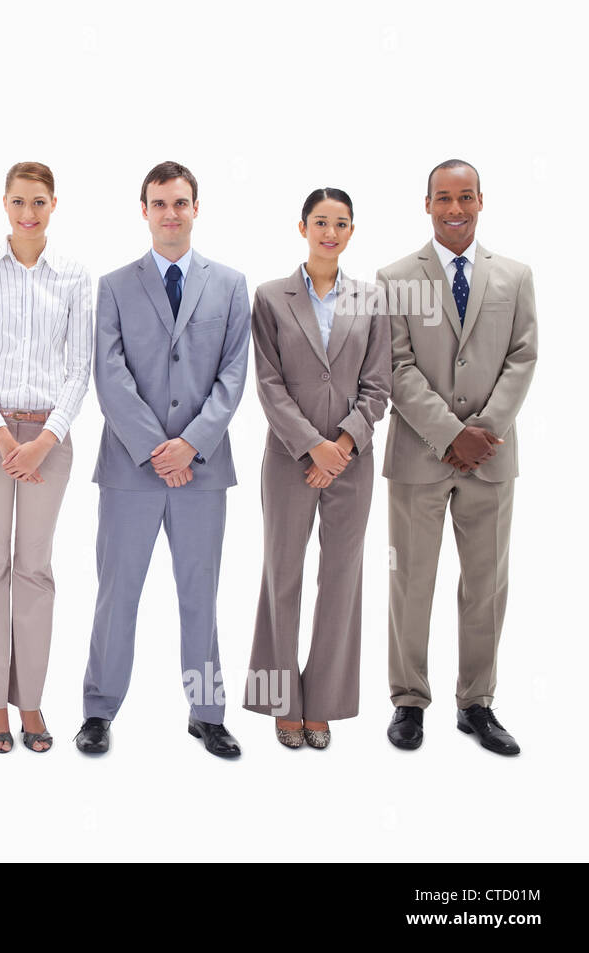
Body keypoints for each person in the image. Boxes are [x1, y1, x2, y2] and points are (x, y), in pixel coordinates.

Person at [76, 160, 250, 759]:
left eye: (180, 202)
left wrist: (190, 445)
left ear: (196, 208)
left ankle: (207, 714)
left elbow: (233, 374)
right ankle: (98, 711)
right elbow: (109, 374)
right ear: (144, 211)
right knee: (116, 593)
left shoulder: (230, 284)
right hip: (131, 468)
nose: (170, 213)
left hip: (203, 470)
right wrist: (157, 449)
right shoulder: (114, 286)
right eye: (159, 203)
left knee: (200, 596)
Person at [379, 160, 537, 756]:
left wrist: (483, 432)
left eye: (465, 196)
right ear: (426, 204)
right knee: (410, 581)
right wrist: (450, 434)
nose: (455, 209)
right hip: (419, 457)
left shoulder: (515, 276)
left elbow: (523, 356)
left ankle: (477, 703)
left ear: (480, 201)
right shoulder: (395, 278)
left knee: (486, 586)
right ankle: (408, 701)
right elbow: (396, 365)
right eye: (443, 198)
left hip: (491, 459)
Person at [242, 188, 390, 749]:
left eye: (341, 223)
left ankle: (323, 701)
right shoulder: (270, 297)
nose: (330, 232)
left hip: (352, 462)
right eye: (321, 222)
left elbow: (378, 385)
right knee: (281, 574)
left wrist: (342, 446)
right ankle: (282, 701)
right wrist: (312, 447)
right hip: (288, 460)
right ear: (302, 227)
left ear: (352, 231)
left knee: (341, 578)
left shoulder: (372, 299)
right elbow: (268, 384)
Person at [0, 161, 92, 754]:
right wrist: (5, 438)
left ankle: (30, 699)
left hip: (49, 438)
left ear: (54, 204)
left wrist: (43, 440)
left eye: (38, 202)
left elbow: (80, 367)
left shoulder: (75, 275)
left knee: (35, 568)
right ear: (4, 203)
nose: (28, 213)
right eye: (18, 201)